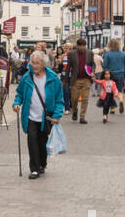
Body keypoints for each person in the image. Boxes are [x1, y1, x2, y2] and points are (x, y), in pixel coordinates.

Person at [12, 51, 64, 179]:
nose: (34, 66)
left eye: (37, 63)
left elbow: (59, 99)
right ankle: (34, 169)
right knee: (32, 141)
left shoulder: (52, 78)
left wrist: (57, 116)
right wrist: (16, 103)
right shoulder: (27, 77)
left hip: (46, 118)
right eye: (32, 63)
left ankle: (42, 164)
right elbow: (19, 93)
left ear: (43, 64)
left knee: (42, 142)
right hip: (30, 116)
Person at [65, 38, 95, 124]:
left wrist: (92, 71)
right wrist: (66, 80)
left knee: (85, 99)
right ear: (77, 46)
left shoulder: (90, 53)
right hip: (75, 79)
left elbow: (92, 64)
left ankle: (82, 117)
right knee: (74, 99)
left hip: (86, 79)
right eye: (80, 46)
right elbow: (68, 67)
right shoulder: (71, 54)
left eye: (83, 46)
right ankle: (75, 111)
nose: (82, 47)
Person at [103, 38, 125, 114]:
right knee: (119, 91)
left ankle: (112, 108)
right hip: (120, 74)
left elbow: (105, 66)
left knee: (110, 92)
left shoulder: (107, 54)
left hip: (111, 75)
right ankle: (121, 100)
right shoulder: (122, 54)